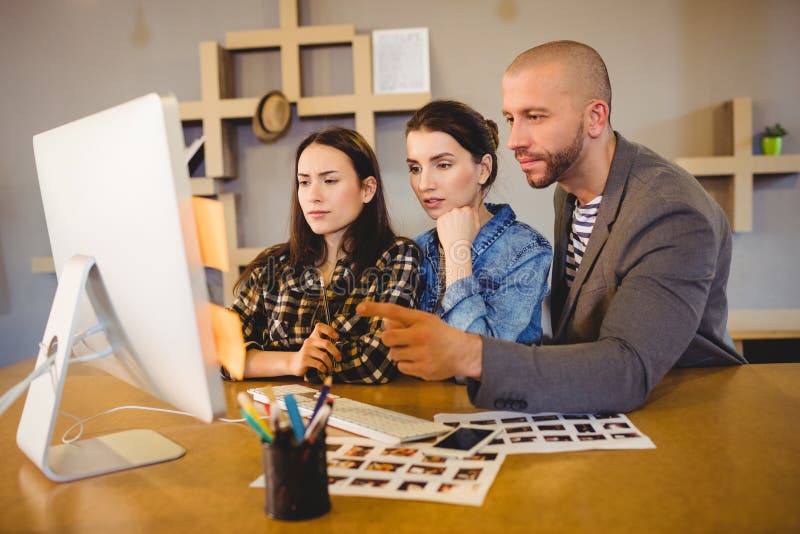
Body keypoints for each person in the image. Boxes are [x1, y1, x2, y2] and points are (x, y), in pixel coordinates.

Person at [358, 40, 746, 413]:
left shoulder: (670, 212)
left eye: (535, 117)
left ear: (595, 117)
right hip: (591, 407)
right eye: (511, 118)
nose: (513, 141)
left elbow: (628, 369)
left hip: (679, 412)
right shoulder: (570, 192)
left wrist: (467, 352)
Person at [229, 127, 421, 384]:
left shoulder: (396, 257)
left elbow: (376, 360)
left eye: (329, 181)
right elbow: (221, 349)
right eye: (304, 182)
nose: (313, 196)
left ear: (367, 189)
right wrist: (293, 361)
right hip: (280, 416)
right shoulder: (274, 266)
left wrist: (263, 361)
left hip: (364, 417)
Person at [406, 100, 552, 347]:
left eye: (443, 164)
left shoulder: (527, 251)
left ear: (483, 169)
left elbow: (479, 362)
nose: (424, 184)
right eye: (415, 168)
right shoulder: (414, 249)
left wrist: (457, 254)